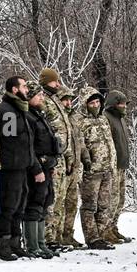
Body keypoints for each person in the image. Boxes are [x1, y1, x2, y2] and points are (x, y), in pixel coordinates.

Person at [0, 76, 41, 262]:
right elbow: (10, 142)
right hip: (10, 168)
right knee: (8, 205)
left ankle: (15, 242)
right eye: (24, 86)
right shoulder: (7, 112)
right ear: (14, 89)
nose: (27, 89)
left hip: (22, 167)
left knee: (19, 206)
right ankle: (3, 245)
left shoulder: (20, 110)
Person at [36, 67, 77, 249]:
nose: (58, 84)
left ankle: (57, 237)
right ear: (46, 82)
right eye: (55, 81)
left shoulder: (55, 100)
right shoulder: (43, 100)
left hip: (62, 157)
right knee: (51, 201)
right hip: (51, 157)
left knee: (59, 200)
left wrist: (69, 156)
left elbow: (65, 130)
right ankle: (48, 237)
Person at [74, 88, 116, 250]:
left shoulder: (103, 120)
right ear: (85, 104)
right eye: (92, 103)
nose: (95, 105)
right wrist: (86, 164)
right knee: (89, 206)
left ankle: (102, 234)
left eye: (98, 102)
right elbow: (80, 145)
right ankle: (92, 238)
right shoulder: (80, 121)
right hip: (91, 172)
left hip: (106, 169)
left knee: (104, 204)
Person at [23, 82, 62, 258]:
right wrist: (37, 167)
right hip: (36, 167)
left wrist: (51, 163)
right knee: (34, 203)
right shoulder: (28, 117)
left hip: (47, 166)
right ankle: (32, 245)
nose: (41, 97)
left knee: (45, 201)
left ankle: (40, 243)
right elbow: (29, 147)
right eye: (38, 95)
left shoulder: (40, 115)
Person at [102, 89, 133, 243]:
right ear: (114, 104)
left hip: (122, 165)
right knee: (111, 200)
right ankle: (106, 230)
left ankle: (113, 228)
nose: (124, 106)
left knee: (120, 199)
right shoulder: (107, 118)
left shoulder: (120, 119)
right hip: (112, 167)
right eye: (121, 103)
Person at [58, 87, 83, 247]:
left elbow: (79, 140)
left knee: (72, 203)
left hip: (75, 165)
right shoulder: (58, 118)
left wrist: (84, 157)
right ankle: (57, 235)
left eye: (70, 99)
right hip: (63, 166)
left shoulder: (74, 117)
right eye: (65, 99)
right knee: (60, 203)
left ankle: (68, 234)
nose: (68, 102)